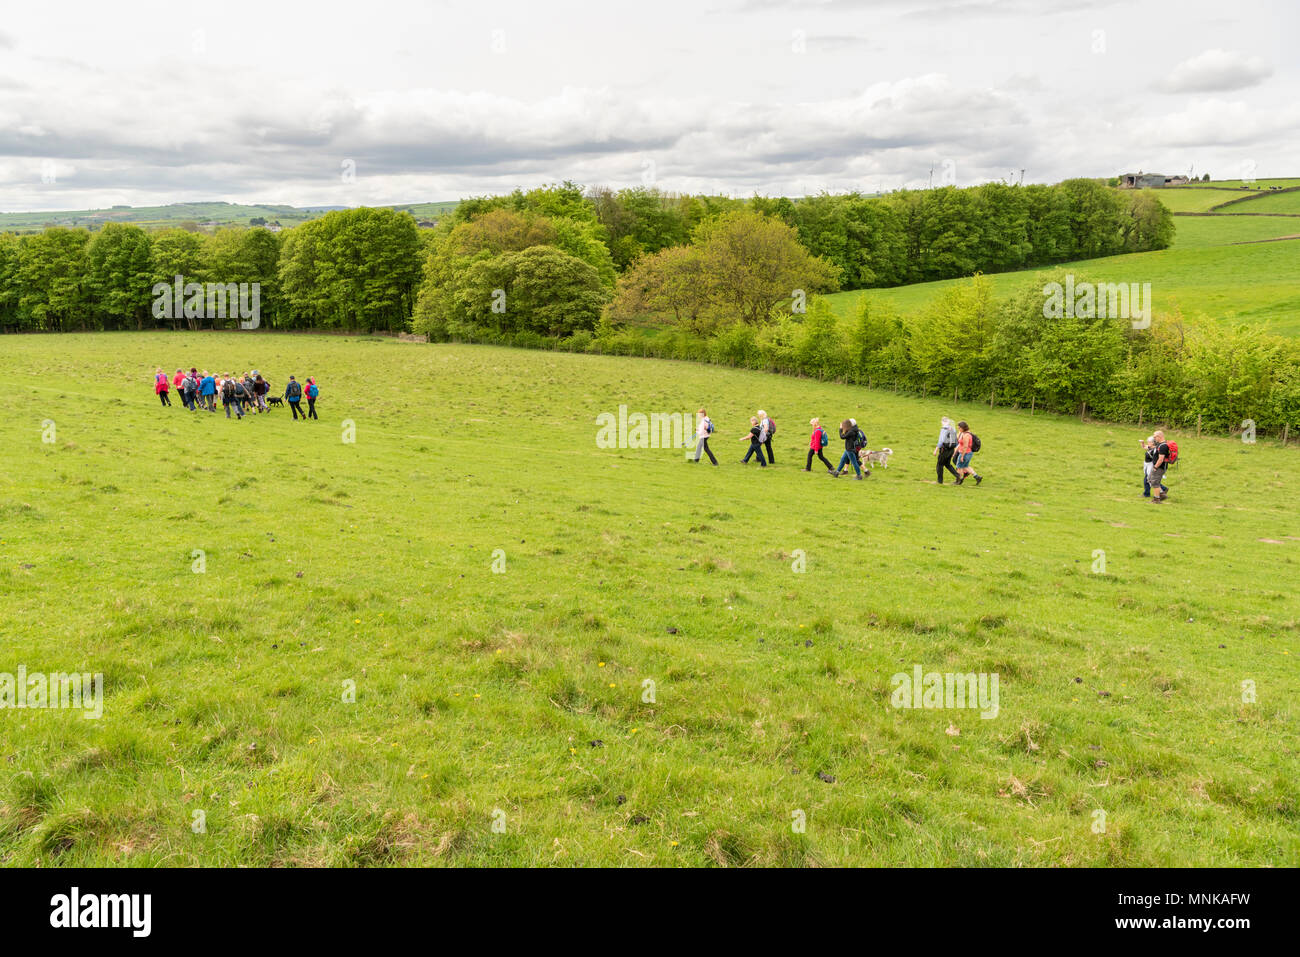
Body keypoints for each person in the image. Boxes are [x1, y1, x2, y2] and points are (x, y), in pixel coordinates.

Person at [953, 421, 982, 486]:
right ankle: (977, 477)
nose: (959, 429)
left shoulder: (966, 435)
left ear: (963, 428)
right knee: (965, 466)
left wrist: (962, 456)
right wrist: (955, 452)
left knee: (959, 467)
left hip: (965, 453)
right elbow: (960, 444)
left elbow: (965, 446)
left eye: (959, 428)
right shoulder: (965, 433)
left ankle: (959, 481)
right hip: (968, 453)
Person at [934, 416, 960, 484]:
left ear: (943, 422)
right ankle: (957, 475)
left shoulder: (944, 429)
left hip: (944, 450)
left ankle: (940, 481)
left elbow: (941, 440)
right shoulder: (953, 429)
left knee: (939, 465)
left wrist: (936, 449)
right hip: (951, 450)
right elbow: (956, 441)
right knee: (947, 464)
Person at [1148, 430, 1171, 502]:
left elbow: (1161, 459)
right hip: (1156, 466)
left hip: (1159, 467)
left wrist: (1155, 467)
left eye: (1155, 437)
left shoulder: (1163, 446)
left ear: (1159, 436)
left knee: (1155, 482)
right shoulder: (1159, 444)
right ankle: (1162, 494)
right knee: (1150, 479)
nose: (1154, 438)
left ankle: (1156, 499)